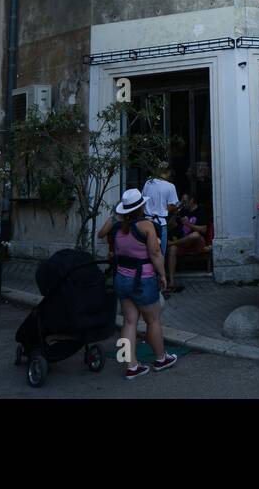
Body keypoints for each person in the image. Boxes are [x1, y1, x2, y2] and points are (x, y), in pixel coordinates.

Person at [96, 188, 178, 380]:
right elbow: (155, 254)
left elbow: (101, 233)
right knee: (153, 320)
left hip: (122, 278)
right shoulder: (147, 226)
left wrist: (117, 215)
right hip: (143, 279)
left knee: (129, 322)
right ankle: (161, 358)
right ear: (141, 207)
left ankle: (130, 365)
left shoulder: (116, 227)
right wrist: (163, 274)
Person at [166, 194, 210, 291]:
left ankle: (172, 243)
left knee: (195, 235)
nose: (183, 204)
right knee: (172, 249)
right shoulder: (183, 211)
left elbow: (203, 230)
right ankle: (172, 282)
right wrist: (174, 214)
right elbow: (170, 227)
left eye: (185, 201)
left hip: (198, 243)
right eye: (182, 201)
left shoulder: (201, 211)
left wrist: (188, 224)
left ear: (192, 200)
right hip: (184, 242)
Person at [141, 163, 179, 256]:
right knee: (160, 253)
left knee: (147, 252)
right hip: (161, 223)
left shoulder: (148, 183)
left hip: (147, 221)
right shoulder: (170, 186)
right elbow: (171, 207)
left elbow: (142, 202)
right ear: (168, 172)